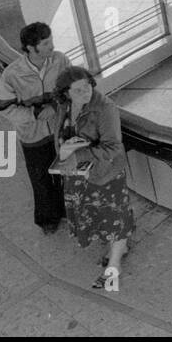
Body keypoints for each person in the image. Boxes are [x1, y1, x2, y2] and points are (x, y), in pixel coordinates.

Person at [52, 67, 134, 290]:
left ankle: (114, 265)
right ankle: (120, 248)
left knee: (113, 216)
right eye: (77, 90)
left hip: (103, 173)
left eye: (87, 86)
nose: (85, 92)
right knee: (98, 216)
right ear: (66, 93)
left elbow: (114, 147)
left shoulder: (105, 108)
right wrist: (64, 153)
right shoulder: (65, 106)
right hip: (78, 174)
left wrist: (78, 154)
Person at [0, 22, 69, 234]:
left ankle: (66, 209)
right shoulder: (12, 75)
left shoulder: (60, 60)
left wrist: (55, 105)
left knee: (64, 172)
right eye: (45, 43)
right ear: (30, 47)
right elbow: (6, 109)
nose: (52, 46)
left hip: (58, 131)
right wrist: (36, 114)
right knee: (41, 178)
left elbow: (70, 88)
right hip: (33, 137)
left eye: (51, 41)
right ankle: (48, 219)